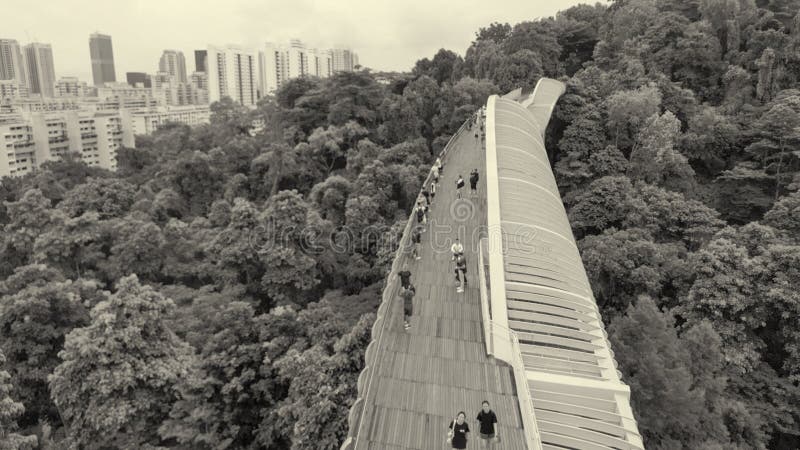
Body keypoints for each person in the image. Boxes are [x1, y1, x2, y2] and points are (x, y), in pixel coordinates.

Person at [397, 264, 415, 330]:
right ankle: (408, 325)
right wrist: (411, 286)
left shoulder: (401, 273)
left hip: (405, 305)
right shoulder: (411, 294)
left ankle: (405, 323)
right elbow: (413, 291)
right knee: (409, 316)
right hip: (410, 306)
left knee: (405, 314)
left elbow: (399, 294)